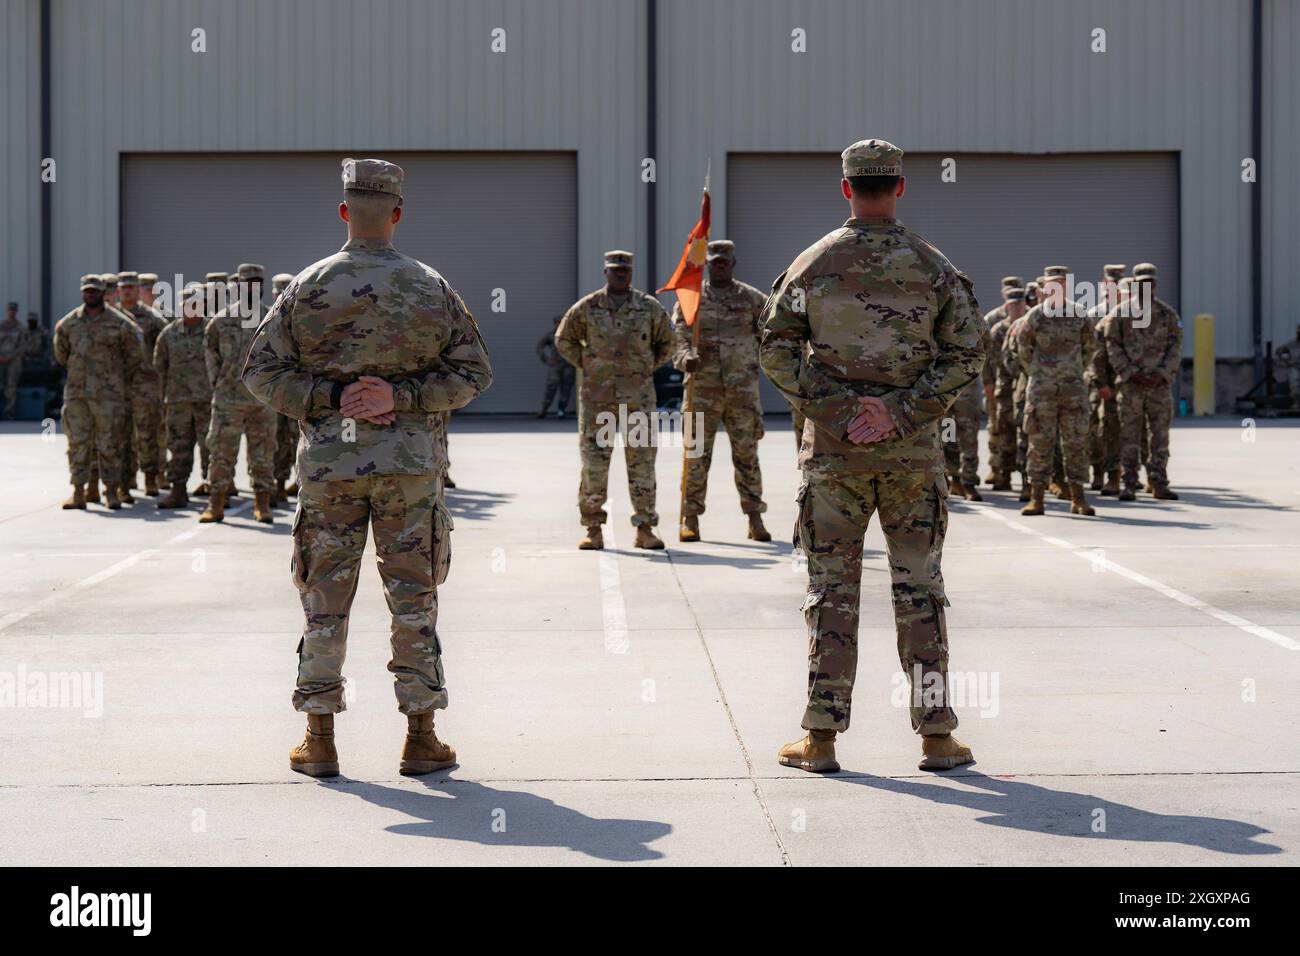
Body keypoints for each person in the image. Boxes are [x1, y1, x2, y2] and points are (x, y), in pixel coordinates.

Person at [244, 157, 492, 778]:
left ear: (344, 211)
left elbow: (260, 373)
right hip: (409, 470)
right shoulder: (431, 287)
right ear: (399, 214)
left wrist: (331, 398)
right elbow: (473, 374)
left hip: (331, 470)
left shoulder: (307, 286)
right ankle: (421, 738)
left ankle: (320, 739)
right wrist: (401, 397)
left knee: (325, 601)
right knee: (413, 598)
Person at [760, 138, 984, 774]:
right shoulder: (932, 265)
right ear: (901, 187)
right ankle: (937, 736)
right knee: (920, 588)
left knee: (832, 591)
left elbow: (776, 352)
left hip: (834, 459)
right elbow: (966, 355)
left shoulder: (812, 264)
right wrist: (899, 412)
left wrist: (839, 412)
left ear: (846, 187)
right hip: (911, 459)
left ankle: (822, 739)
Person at [555, 250, 673, 550]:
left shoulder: (648, 308)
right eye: (614, 269)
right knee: (594, 464)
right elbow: (563, 339)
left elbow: (669, 343)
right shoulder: (588, 307)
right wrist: (588, 362)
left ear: (631, 273)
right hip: (598, 400)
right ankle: (593, 528)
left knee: (642, 464)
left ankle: (645, 528)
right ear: (605, 272)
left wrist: (645, 367)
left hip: (638, 400)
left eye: (625, 270)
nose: (620, 274)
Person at [670, 239, 771, 542]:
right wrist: (684, 358)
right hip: (702, 391)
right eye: (714, 261)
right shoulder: (692, 299)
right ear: (707, 264)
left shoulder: (753, 299)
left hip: (742, 392)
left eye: (724, 261)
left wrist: (762, 365)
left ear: (733, 263)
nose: (720, 265)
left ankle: (755, 517)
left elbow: (772, 335)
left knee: (747, 456)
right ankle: (690, 518)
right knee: (696, 455)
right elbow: (679, 337)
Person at [1011, 272, 1097, 516]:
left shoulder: (1080, 314)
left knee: (1076, 443)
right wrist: (1039, 374)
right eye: (1052, 286)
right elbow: (1023, 350)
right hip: (1042, 391)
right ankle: (1036, 499)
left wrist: (1074, 371)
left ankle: (1078, 498)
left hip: (1073, 391)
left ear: (1067, 288)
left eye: (1061, 285)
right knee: (1039, 444)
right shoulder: (1035, 316)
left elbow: (1091, 347)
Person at [53, 275, 143, 509]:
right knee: (78, 444)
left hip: (108, 397)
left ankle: (111, 492)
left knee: (109, 443)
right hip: (77, 395)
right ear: (83, 292)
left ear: (103, 293)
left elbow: (134, 355)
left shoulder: (121, 323)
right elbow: (61, 354)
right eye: (87, 291)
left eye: (95, 291)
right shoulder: (69, 323)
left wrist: (113, 377)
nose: (90, 295)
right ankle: (79, 492)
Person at [201, 263, 278, 523]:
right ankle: (216, 503)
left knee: (263, 454)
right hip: (228, 399)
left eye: (256, 283)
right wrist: (220, 385)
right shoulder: (221, 321)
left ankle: (262, 503)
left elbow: (282, 357)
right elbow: (211, 356)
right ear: (238, 287)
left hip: (262, 401)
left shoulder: (272, 319)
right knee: (221, 452)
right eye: (246, 283)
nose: (251, 288)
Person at [1103, 265, 1182, 500]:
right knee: (1129, 436)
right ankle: (1129, 483)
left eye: (1149, 283)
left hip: (1159, 386)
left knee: (1160, 436)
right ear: (1134, 285)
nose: (1145, 287)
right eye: (1141, 283)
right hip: (1131, 386)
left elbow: (1175, 347)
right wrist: (1129, 372)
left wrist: (1162, 373)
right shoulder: (1120, 314)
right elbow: (1112, 345)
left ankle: (1158, 481)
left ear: (1154, 285)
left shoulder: (1167, 315)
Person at [154, 283, 213, 508]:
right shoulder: (168, 334)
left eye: (196, 303)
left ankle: (213, 493)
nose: (192, 307)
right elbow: (159, 367)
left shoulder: (212, 330)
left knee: (211, 448)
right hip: (177, 402)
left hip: (206, 400)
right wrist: (162, 400)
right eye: (187, 304)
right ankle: (178, 491)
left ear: (204, 304)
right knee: (178, 447)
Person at [117, 272, 168, 496]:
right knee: (121, 436)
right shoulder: (112, 315)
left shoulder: (152, 317)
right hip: (116, 386)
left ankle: (150, 478)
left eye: (131, 287)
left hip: (146, 386)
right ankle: (125, 483)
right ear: (118, 290)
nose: (127, 291)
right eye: (123, 287)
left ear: (138, 290)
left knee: (147, 434)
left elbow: (167, 344)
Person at [269, 272, 298, 504]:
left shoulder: (304, 318)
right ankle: (277, 484)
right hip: (276, 392)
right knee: (277, 440)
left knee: (300, 438)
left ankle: (300, 483)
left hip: (298, 391)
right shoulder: (266, 320)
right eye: (278, 293)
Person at [536, 315, 575, 418]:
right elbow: (540, 347)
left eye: (561, 322)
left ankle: (561, 410)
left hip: (568, 365)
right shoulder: (551, 335)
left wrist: (575, 360)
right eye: (557, 322)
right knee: (551, 387)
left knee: (566, 389)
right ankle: (544, 410)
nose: (559, 324)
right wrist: (546, 359)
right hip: (555, 366)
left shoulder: (570, 335)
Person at [0, 302, 22, 419]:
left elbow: (22, 346)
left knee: (11, 386)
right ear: (7, 311)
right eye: (10, 310)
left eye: (14, 310)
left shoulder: (20, 327)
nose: (12, 312)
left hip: (13, 360)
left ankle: (9, 412)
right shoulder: (2, 325)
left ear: (16, 311)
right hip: (0, 359)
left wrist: (10, 357)